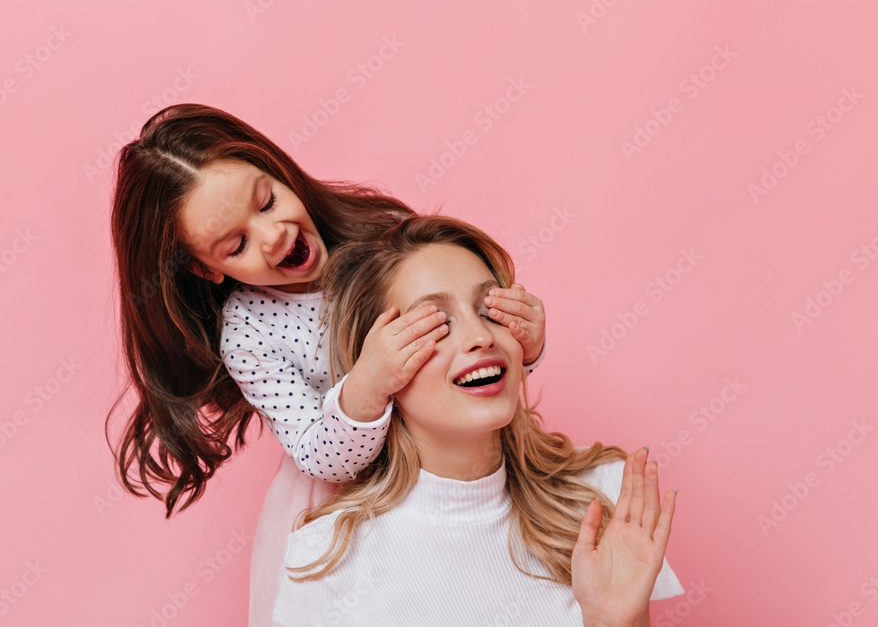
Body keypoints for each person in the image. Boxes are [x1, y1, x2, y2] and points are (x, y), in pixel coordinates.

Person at [107, 105, 550, 625]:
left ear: (279, 170)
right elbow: (318, 455)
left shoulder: (380, 233)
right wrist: (368, 382)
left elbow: (466, 355)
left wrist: (524, 343)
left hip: (443, 470)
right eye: (238, 244)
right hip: (349, 497)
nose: (273, 235)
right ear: (207, 269)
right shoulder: (249, 332)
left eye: (268, 201)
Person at [273, 216, 684, 626]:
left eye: (490, 310)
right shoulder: (325, 558)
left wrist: (612, 621)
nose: (481, 337)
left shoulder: (600, 496)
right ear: (376, 372)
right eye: (436, 324)